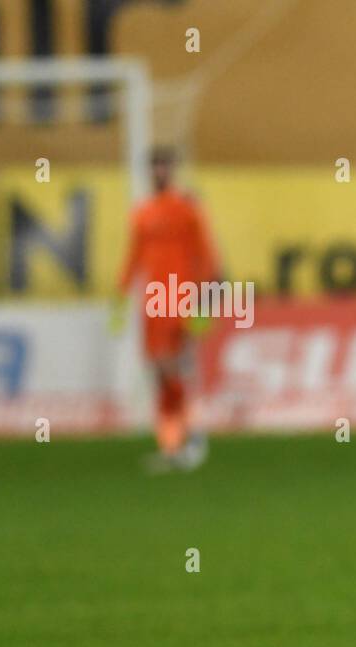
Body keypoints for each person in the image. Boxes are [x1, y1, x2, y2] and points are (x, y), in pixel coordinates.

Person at [115, 147, 218, 471]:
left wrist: (204, 301)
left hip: (179, 297)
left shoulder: (187, 209)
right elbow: (134, 257)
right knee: (160, 373)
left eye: (164, 165)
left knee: (175, 368)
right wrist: (120, 298)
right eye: (154, 165)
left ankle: (193, 438)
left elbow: (206, 256)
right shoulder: (143, 212)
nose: (159, 171)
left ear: (172, 169)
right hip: (152, 303)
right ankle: (173, 445)